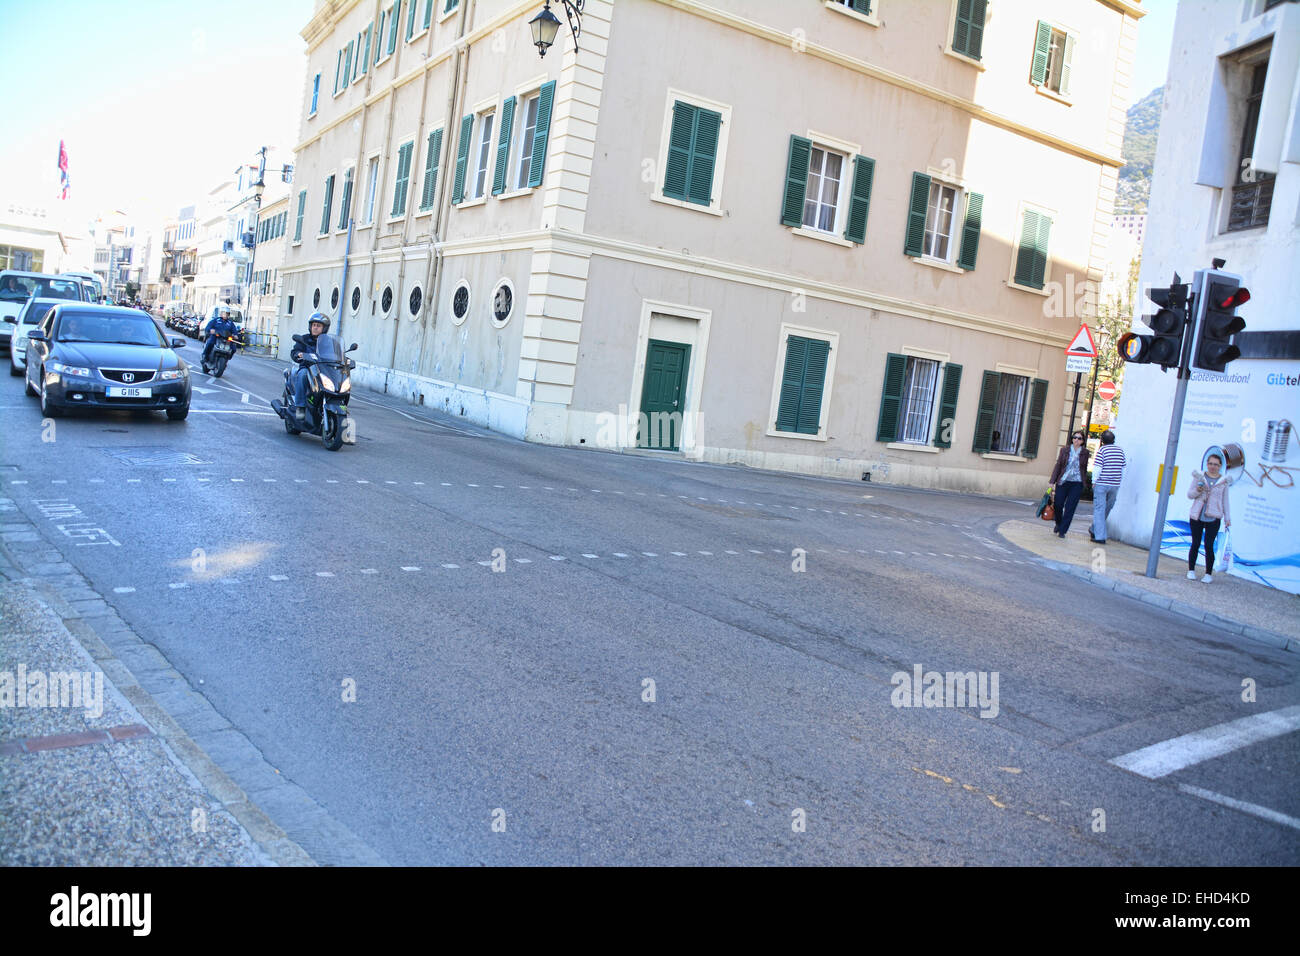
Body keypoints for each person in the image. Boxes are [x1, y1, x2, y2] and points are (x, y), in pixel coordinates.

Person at [1187, 453, 1231, 582]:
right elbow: (1190, 494)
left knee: (1209, 545)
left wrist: (1228, 519)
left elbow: (1225, 501)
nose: (1213, 466)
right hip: (1197, 515)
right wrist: (1198, 490)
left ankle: (1208, 574)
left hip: (1214, 516)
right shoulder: (1199, 477)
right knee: (1195, 543)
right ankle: (1191, 570)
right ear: (1207, 464)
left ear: (1220, 466)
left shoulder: (1224, 482)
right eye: (1210, 463)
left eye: (1216, 464)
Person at [1048, 430, 1090, 539]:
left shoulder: (1085, 452)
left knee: (1070, 507)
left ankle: (1062, 530)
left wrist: (1085, 482)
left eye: (1079, 438)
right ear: (1072, 439)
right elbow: (1058, 465)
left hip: (1077, 483)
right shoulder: (1065, 450)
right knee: (1058, 504)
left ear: (1082, 441)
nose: (1076, 440)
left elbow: (1084, 468)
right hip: (1063, 481)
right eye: (1075, 437)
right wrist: (1052, 481)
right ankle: (1058, 522)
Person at [289, 312, 329, 419]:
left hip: (324, 371)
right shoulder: (304, 339)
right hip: (307, 368)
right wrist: (298, 354)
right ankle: (300, 407)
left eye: (318, 326)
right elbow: (295, 352)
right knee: (302, 374)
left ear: (324, 328)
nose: (315, 328)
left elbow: (336, 353)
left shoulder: (328, 342)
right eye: (313, 325)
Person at [1089, 430, 1126, 543]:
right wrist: (1119, 481)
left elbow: (1098, 468)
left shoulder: (1102, 450)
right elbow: (1123, 468)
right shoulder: (1120, 451)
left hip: (1102, 484)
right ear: (1113, 440)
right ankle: (1094, 529)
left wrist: (1094, 481)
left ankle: (1099, 536)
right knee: (1107, 508)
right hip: (1114, 485)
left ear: (1102, 440)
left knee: (1099, 509)